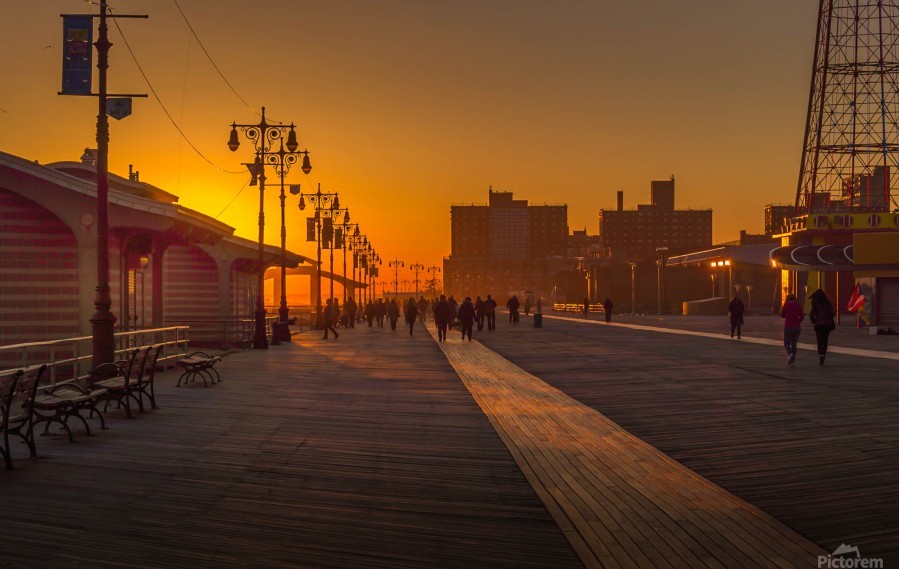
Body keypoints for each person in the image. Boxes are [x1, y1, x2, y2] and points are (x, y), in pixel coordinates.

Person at [809, 289, 836, 366]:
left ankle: (820, 354)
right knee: (825, 339)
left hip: (818, 324)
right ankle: (823, 354)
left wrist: (813, 321)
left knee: (819, 340)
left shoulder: (815, 303)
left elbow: (812, 314)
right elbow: (832, 313)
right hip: (827, 324)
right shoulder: (827, 303)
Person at [781, 293, 804, 365]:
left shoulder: (786, 305)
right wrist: (798, 321)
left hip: (788, 326)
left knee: (786, 343)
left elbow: (782, 315)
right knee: (794, 343)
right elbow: (802, 316)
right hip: (797, 327)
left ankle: (790, 354)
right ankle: (793, 357)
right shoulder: (798, 305)